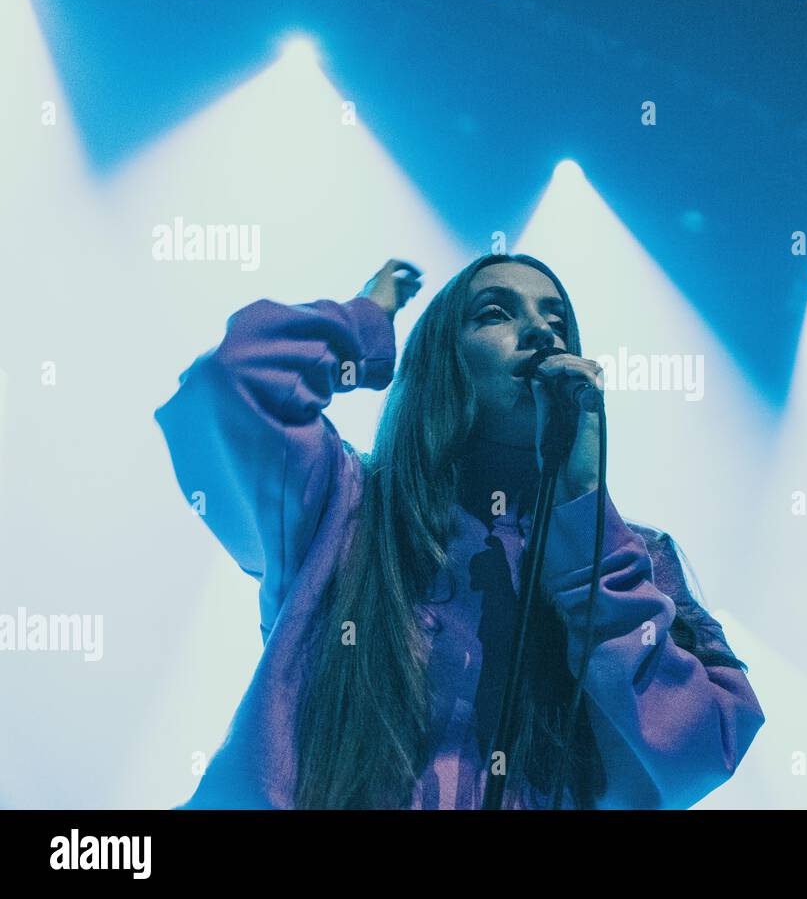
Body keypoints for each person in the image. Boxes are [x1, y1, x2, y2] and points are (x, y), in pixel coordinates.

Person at [154, 252, 765, 809]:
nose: (541, 333)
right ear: (441, 363)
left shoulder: (634, 557)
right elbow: (232, 382)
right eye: (496, 313)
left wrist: (583, 511)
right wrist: (362, 322)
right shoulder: (346, 506)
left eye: (557, 321)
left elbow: (703, 752)